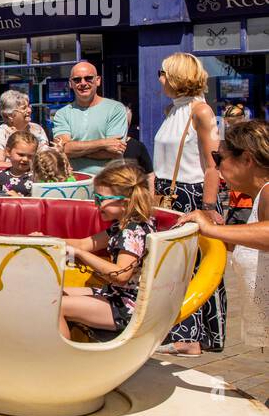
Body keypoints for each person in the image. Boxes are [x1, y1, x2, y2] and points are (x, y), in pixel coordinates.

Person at [153, 52, 224, 355]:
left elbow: (212, 165)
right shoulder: (173, 109)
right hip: (167, 193)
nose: (160, 78)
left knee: (192, 266)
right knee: (174, 265)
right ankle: (182, 330)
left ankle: (193, 337)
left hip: (191, 195)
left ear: (177, 76)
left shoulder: (200, 111)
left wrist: (208, 207)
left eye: (164, 72)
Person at [178, 120, 269, 356]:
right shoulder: (260, 196)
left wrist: (211, 229)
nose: (216, 169)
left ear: (247, 159)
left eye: (220, 159)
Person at [50, 161, 156, 343]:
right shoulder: (125, 226)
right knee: (52, 294)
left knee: (53, 306)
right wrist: (46, 240)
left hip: (127, 307)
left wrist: (80, 255)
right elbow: (85, 244)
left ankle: (61, 362)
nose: (96, 204)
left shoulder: (131, 232)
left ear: (125, 201)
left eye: (100, 199)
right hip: (117, 296)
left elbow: (121, 275)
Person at [51, 61, 128, 176]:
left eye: (88, 78)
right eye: (77, 80)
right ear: (70, 84)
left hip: (110, 182)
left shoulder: (115, 109)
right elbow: (64, 150)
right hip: (74, 181)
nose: (83, 83)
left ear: (98, 80)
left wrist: (75, 150)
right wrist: (103, 143)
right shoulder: (62, 114)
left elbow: (115, 151)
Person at [0, 90, 49, 166]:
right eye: (24, 108)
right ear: (10, 115)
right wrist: (26, 166)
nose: (29, 110)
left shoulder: (37, 129)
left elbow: (46, 158)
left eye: (29, 106)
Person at [0, 131, 39, 196]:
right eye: (21, 155)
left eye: (30, 156)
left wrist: (19, 200)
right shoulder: (1, 176)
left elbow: (40, 202)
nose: (25, 159)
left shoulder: (36, 177)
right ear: (8, 152)